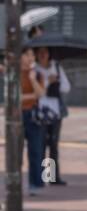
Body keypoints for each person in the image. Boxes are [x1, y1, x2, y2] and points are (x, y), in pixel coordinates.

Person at [33, 46, 70, 186]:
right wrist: (47, 81)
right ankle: (41, 176)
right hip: (40, 111)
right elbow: (35, 90)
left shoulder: (57, 68)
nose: (43, 55)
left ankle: (52, 176)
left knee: (53, 145)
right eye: (40, 52)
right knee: (40, 144)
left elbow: (67, 87)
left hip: (55, 112)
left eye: (45, 52)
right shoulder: (34, 69)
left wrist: (56, 81)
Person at [19, 46, 46, 196]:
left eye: (32, 56)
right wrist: (32, 96)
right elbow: (16, 97)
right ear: (21, 56)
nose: (31, 59)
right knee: (16, 152)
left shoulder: (37, 74)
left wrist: (32, 80)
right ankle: (16, 182)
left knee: (36, 150)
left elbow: (41, 93)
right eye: (28, 55)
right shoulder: (15, 73)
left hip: (34, 115)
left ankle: (35, 183)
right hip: (18, 115)